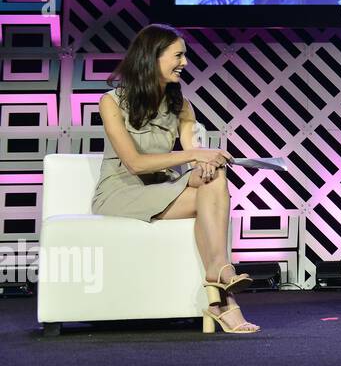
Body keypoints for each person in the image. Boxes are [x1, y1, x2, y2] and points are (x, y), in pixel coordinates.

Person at [94, 24, 258, 333]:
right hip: (121, 192)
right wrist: (196, 157)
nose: (185, 63)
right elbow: (135, 163)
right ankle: (223, 295)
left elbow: (193, 149)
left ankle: (217, 278)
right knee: (207, 194)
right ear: (151, 58)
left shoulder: (182, 105)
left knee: (215, 176)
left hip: (161, 187)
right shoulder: (111, 102)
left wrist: (206, 162)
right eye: (178, 55)